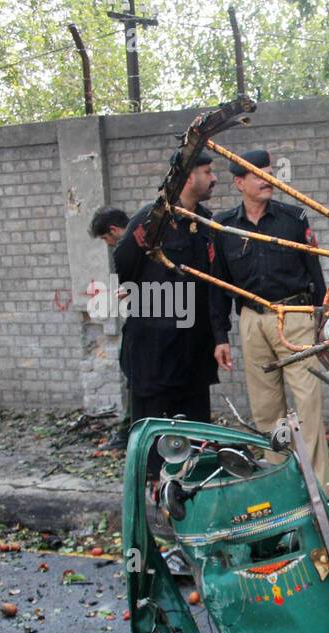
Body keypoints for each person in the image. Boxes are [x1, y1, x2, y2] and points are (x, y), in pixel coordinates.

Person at [210, 149, 329, 483]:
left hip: (294, 316)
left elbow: (315, 272)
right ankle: (278, 477)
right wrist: (220, 336)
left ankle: (317, 485)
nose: (268, 179)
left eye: (268, 172)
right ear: (239, 182)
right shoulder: (224, 227)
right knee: (266, 407)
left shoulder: (294, 218)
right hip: (251, 319)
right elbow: (217, 285)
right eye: (258, 174)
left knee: (307, 401)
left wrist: (322, 321)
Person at [113, 155, 225, 475]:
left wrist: (219, 336)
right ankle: (151, 485)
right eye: (207, 171)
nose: (214, 177)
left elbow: (215, 283)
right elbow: (124, 265)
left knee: (195, 423)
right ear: (189, 178)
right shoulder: (152, 218)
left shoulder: (206, 222)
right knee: (153, 421)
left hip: (193, 347)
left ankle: (192, 483)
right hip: (154, 346)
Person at [89, 207, 132, 449]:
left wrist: (130, 292)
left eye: (106, 238)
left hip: (147, 326)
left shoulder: (130, 248)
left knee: (136, 379)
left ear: (114, 230)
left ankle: (128, 432)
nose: (107, 244)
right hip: (141, 323)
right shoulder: (138, 240)